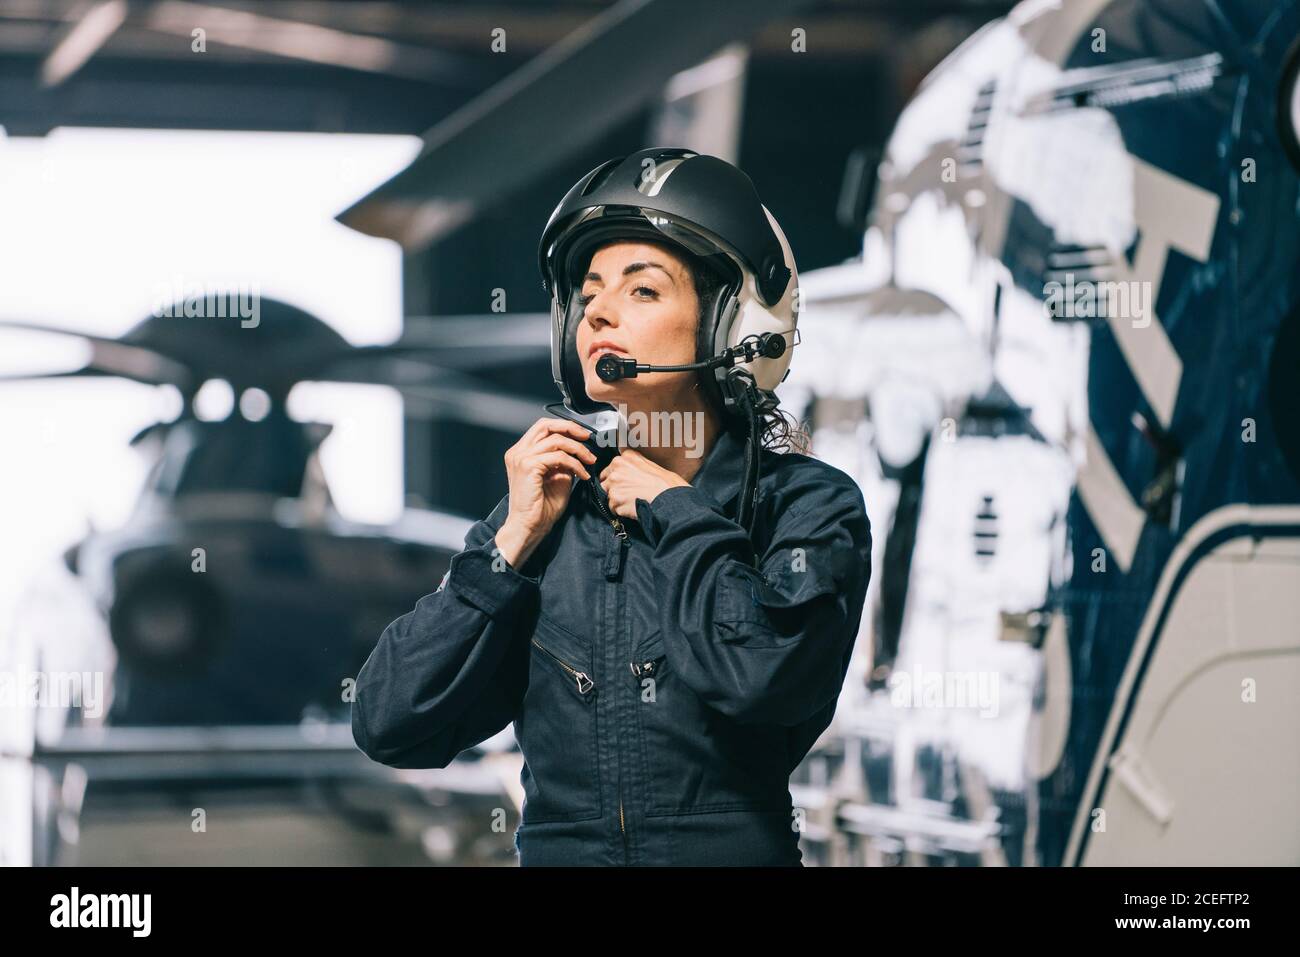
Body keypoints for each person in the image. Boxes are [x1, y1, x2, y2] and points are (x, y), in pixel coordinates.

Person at [352, 147, 872, 866]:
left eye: (642, 290)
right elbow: (390, 722)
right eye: (589, 290)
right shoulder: (549, 508)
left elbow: (764, 679)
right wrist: (504, 549)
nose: (597, 310)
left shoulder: (807, 506)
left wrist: (679, 512)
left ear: (735, 322)